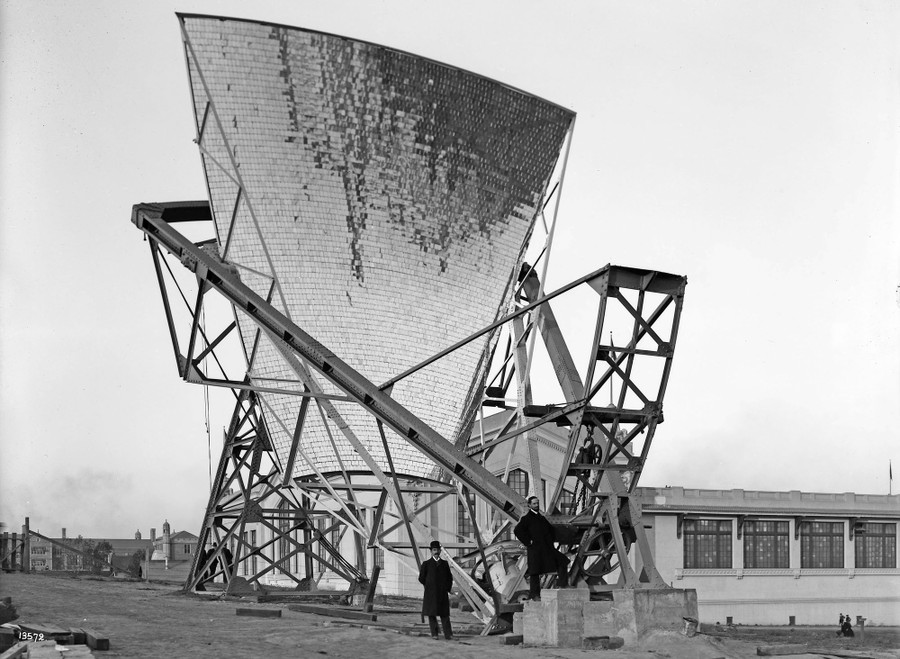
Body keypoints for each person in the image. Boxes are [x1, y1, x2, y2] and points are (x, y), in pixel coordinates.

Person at [514, 495, 569, 601]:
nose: (536, 505)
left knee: (563, 561)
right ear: (529, 505)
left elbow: (551, 530)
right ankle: (534, 595)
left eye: (537, 503)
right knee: (535, 572)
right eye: (534, 503)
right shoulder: (526, 519)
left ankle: (563, 585)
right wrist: (528, 542)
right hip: (535, 550)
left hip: (547, 549)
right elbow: (517, 531)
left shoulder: (542, 518)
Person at [418, 540, 453, 640]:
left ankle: (448, 635)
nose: (436, 552)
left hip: (442, 593)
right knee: (431, 614)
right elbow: (421, 578)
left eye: (437, 550)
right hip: (431, 594)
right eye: (434, 550)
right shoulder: (426, 564)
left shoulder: (445, 564)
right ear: (431, 551)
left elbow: (449, 578)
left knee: (445, 615)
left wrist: (447, 588)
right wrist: (429, 585)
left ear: (440, 551)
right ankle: (435, 634)